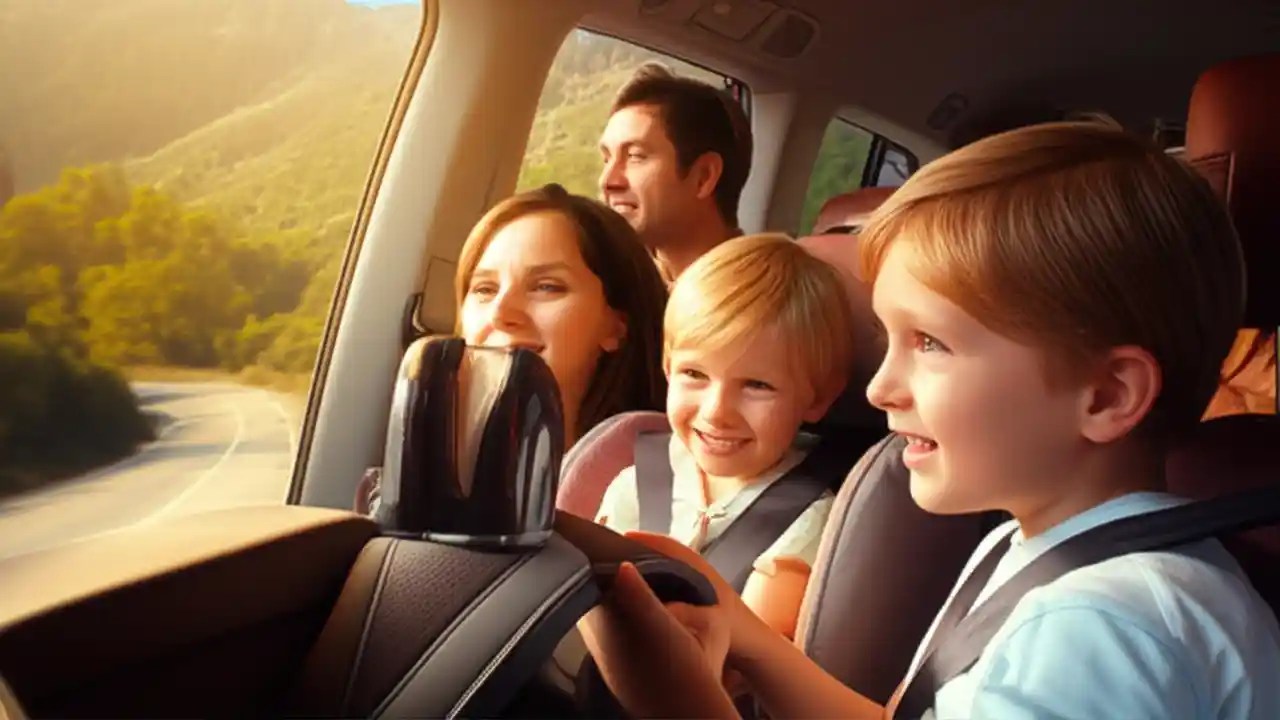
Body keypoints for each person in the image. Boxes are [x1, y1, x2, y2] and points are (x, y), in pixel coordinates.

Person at [578, 120, 1280, 719]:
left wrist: (683, 706)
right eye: (889, 341)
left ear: (1106, 395)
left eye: (931, 344)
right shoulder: (1024, 545)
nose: (881, 388)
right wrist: (750, 637)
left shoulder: (1102, 630)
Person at [593, 233, 855, 638]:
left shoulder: (805, 520)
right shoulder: (640, 479)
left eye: (757, 385)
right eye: (694, 374)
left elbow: (743, 663)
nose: (717, 412)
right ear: (667, 368)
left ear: (818, 398)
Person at [355, 184, 668, 513]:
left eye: (546, 287)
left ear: (618, 326)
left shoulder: (665, 499)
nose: (501, 313)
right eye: (485, 289)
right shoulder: (400, 490)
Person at [599, 63, 753, 283]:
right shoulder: (619, 292)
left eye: (635, 156)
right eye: (607, 159)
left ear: (704, 177)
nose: (607, 181)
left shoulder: (765, 306)